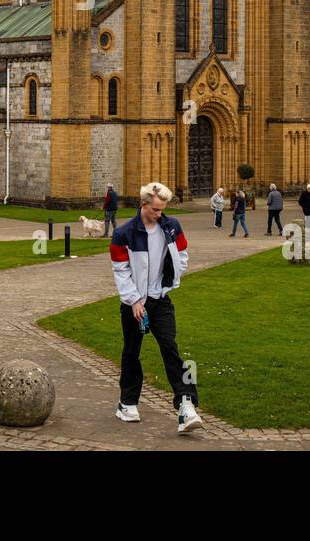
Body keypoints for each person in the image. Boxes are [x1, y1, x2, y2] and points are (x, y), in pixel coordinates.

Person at [109, 182, 202, 434]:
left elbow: (182, 255)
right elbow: (121, 271)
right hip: (134, 304)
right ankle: (127, 403)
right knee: (131, 351)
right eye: (156, 210)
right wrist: (134, 301)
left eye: (162, 210)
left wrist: (170, 280)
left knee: (170, 347)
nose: (160, 214)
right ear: (144, 205)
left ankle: (186, 405)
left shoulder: (172, 227)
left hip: (160, 300)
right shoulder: (124, 234)